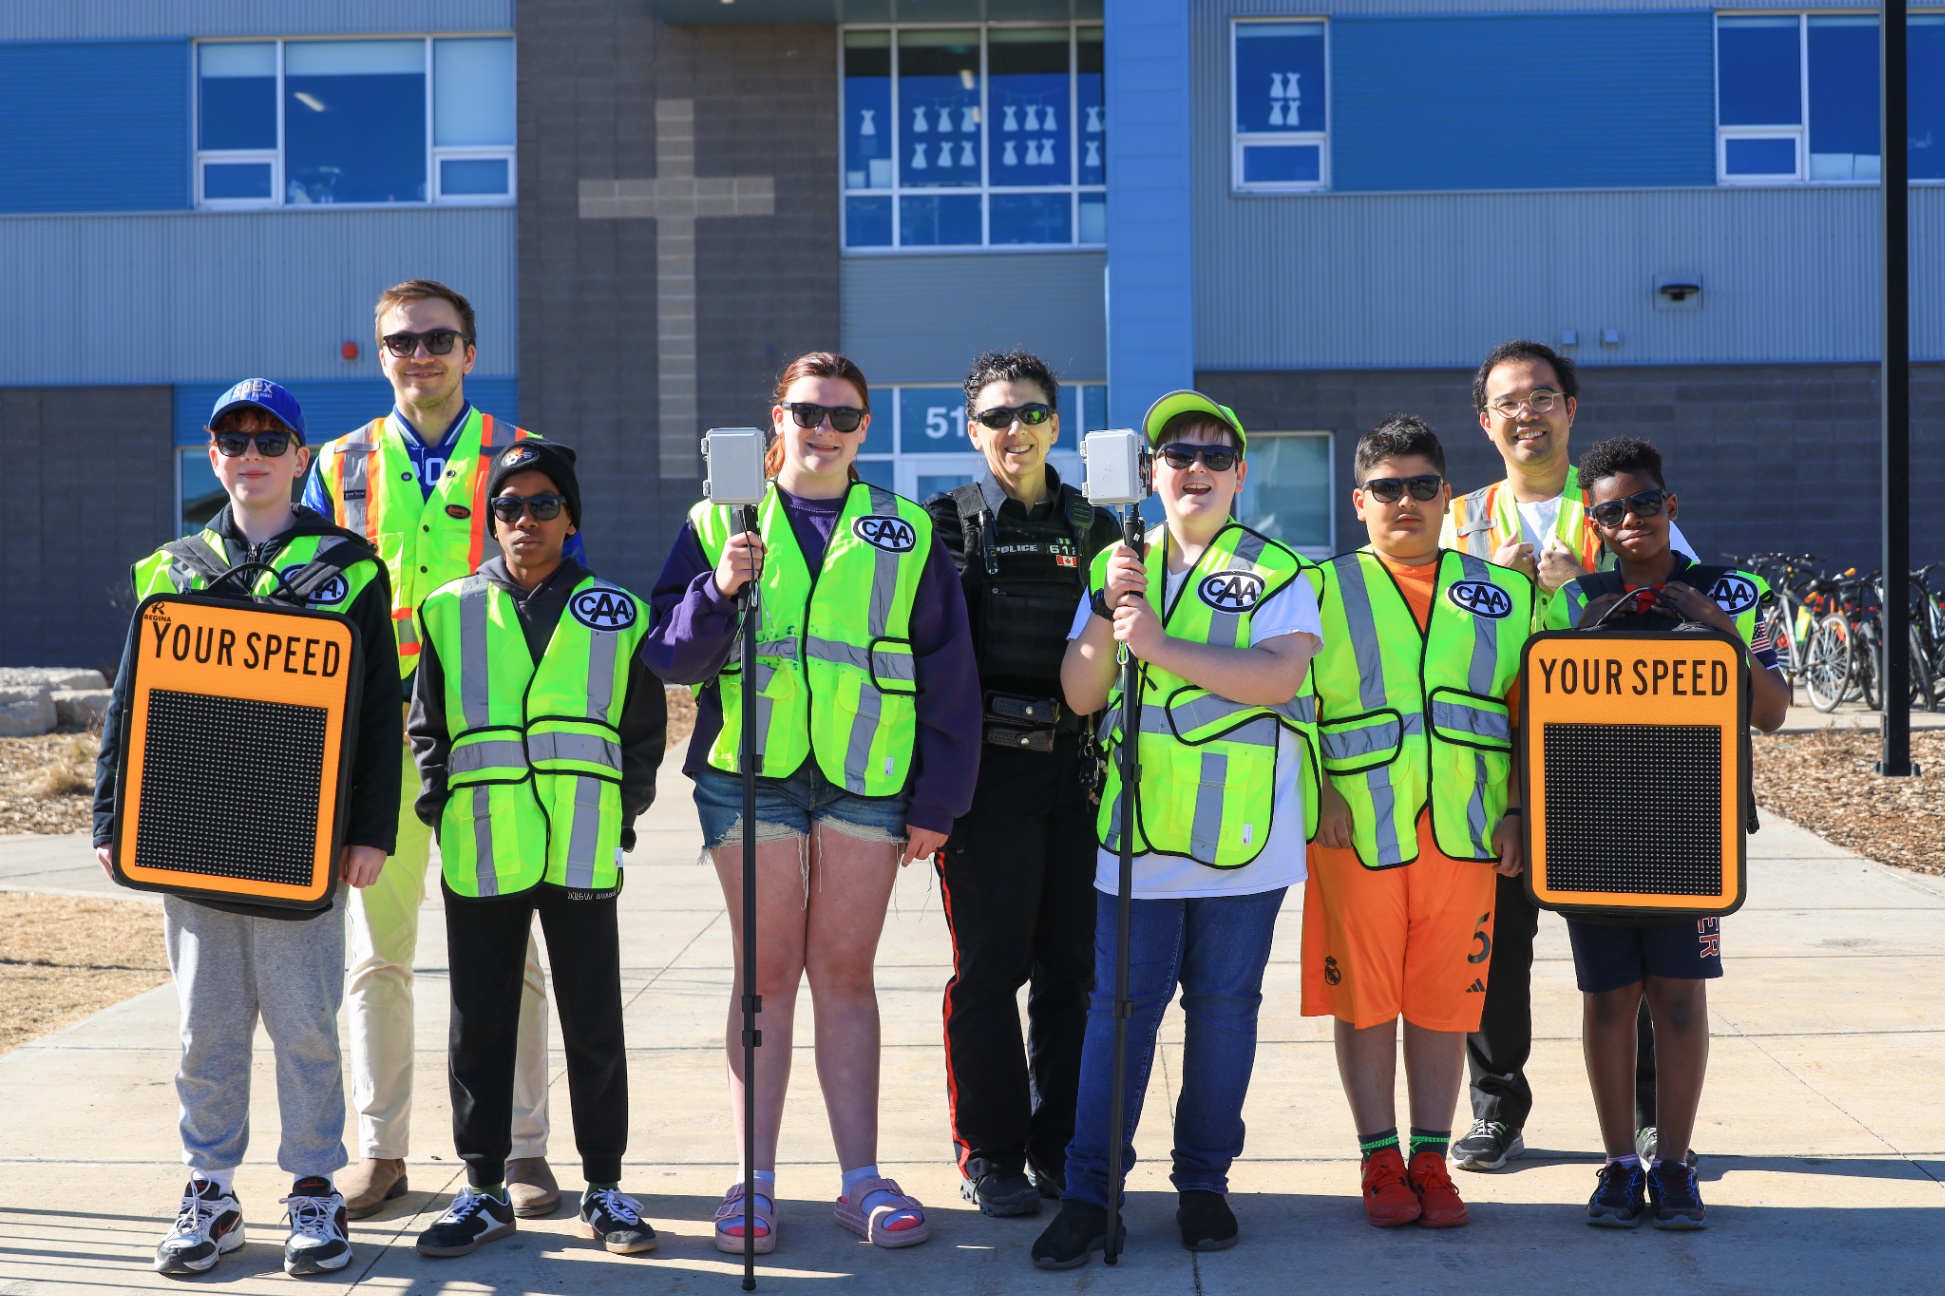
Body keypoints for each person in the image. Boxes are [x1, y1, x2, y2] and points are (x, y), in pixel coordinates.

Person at [646, 352, 981, 1253]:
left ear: (865, 428)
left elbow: (950, 675)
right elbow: (668, 656)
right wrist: (721, 587)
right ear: (776, 420)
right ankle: (751, 1183)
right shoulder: (719, 521)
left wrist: (939, 801)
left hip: (866, 778)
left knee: (843, 975)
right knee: (763, 974)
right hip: (747, 774)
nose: (822, 431)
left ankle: (859, 1180)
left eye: (841, 416)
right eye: (806, 413)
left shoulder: (905, 530)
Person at [93, 380, 401, 1276]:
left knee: (305, 1022)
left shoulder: (350, 568)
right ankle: (210, 1191)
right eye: (234, 437)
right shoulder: (172, 568)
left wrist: (370, 830)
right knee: (205, 1028)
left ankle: (312, 1189)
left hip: (302, 842)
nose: (252, 452)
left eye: (272, 437)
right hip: (190, 835)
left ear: (302, 457)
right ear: (216, 454)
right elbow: (128, 705)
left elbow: (379, 714)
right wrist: (113, 816)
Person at [1033, 391, 1321, 1268]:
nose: (1192, 468)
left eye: (1212, 454)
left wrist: (1154, 644)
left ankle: (1202, 1184)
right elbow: (1082, 695)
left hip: (1245, 840)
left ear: (1239, 473)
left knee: (1224, 1013)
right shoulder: (1117, 566)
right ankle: (1091, 1194)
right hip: (1137, 839)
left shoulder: (1279, 570)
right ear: (1150, 473)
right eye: (1175, 454)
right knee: (1116, 1016)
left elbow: (1275, 679)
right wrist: (1103, 615)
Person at [306, 279, 574, 1217]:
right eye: (400, 342)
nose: (418, 356)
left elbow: (559, 594)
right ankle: (379, 1150)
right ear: (379, 354)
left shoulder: (520, 456)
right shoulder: (337, 463)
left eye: (436, 339)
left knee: (515, 957)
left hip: (494, 741)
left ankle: (524, 1148)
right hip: (377, 743)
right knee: (376, 959)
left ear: (469, 350)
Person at [408, 440, 667, 1258]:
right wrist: (439, 805)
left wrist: (621, 816)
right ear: (491, 521)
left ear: (571, 516)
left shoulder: (617, 611)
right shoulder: (447, 608)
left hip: (583, 849)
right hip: (481, 849)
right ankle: (482, 1189)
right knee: (477, 1024)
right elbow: (428, 727)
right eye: (510, 506)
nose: (526, 519)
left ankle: (606, 1188)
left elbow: (642, 732)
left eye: (544, 504)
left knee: (594, 1024)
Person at [1442, 339, 1694, 1174]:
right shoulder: (1459, 521)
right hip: (1494, 772)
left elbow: (1684, 631)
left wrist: (1590, 591)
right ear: (1485, 421)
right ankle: (1496, 1107)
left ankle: (1652, 1116)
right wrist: (1482, 581)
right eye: (1508, 402)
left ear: (1570, 409)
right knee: (1496, 946)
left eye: (1542, 397)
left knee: (1639, 953)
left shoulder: (1621, 505)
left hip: (1611, 775)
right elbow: (1428, 643)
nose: (1526, 413)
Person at [1546, 435, 1787, 1229]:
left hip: (1695, 835)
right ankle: (1618, 1164)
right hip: (1593, 831)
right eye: (1611, 509)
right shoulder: (1573, 597)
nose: (1630, 520)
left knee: (1679, 1000)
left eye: (1643, 503)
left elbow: (1771, 710)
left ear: (1669, 506)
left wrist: (1713, 624)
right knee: (1607, 1000)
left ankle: (1676, 1165)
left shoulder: (1735, 588)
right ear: (1593, 521)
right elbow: (1535, 707)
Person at [1301, 416, 1530, 1231]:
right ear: (1358, 500)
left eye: (1422, 486)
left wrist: (1517, 812)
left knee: (1442, 1000)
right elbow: (1293, 704)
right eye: (1387, 488)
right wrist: (1314, 792)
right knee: (1364, 1001)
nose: (1406, 501)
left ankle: (1431, 1161)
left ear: (1445, 496)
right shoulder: (1320, 589)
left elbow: (1528, 713)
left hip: (1466, 834)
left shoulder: (1505, 595)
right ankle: (1378, 1160)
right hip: (1354, 831)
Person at [923, 350, 1121, 1217]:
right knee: (989, 972)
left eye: (1031, 413)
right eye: (997, 417)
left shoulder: (1100, 529)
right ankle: (992, 1153)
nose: (1016, 431)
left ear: (1056, 424)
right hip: (985, 783)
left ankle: (1061, 1147)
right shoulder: (943, 527)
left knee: (1071, 973)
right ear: (973, 431)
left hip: (1077, 778)